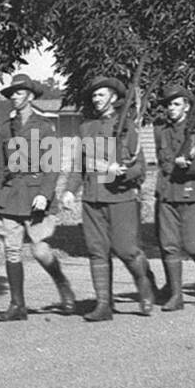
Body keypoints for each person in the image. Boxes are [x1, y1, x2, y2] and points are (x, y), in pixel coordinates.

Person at [61, 76, 155, 321]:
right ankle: (104, 305)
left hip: (120, 197)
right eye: (94, 95)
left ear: (113, 98)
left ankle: (145, 284)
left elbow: (140, 168)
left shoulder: (127, 127)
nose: (96, 99)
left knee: (126, 249)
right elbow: (79, 166)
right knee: (97, 251)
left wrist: (122, 173)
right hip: (92, 198)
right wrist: (70, 191)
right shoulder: (86, 128)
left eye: (101, 94)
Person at [0, 73, 75, 320]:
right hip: (11, 195)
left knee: (39, 250)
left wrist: (44, 195)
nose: (14, 97)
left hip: (36, 193)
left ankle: (62, 284)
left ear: (29, 96)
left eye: (19, 93)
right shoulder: (6, 128)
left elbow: (53, 166)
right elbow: (2, 167)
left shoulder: (43, 126)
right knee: (12, 250)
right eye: (12, 94)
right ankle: (17, 305)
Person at [153, 83, 195, 310]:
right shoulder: (162, 131)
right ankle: (176, 296)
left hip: (191, 194)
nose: (171, 108)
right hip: (167, 194)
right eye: (169, 105)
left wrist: (189, 166)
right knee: (169, 246)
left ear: (186, 107)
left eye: (176, 104)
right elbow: (162, 162)